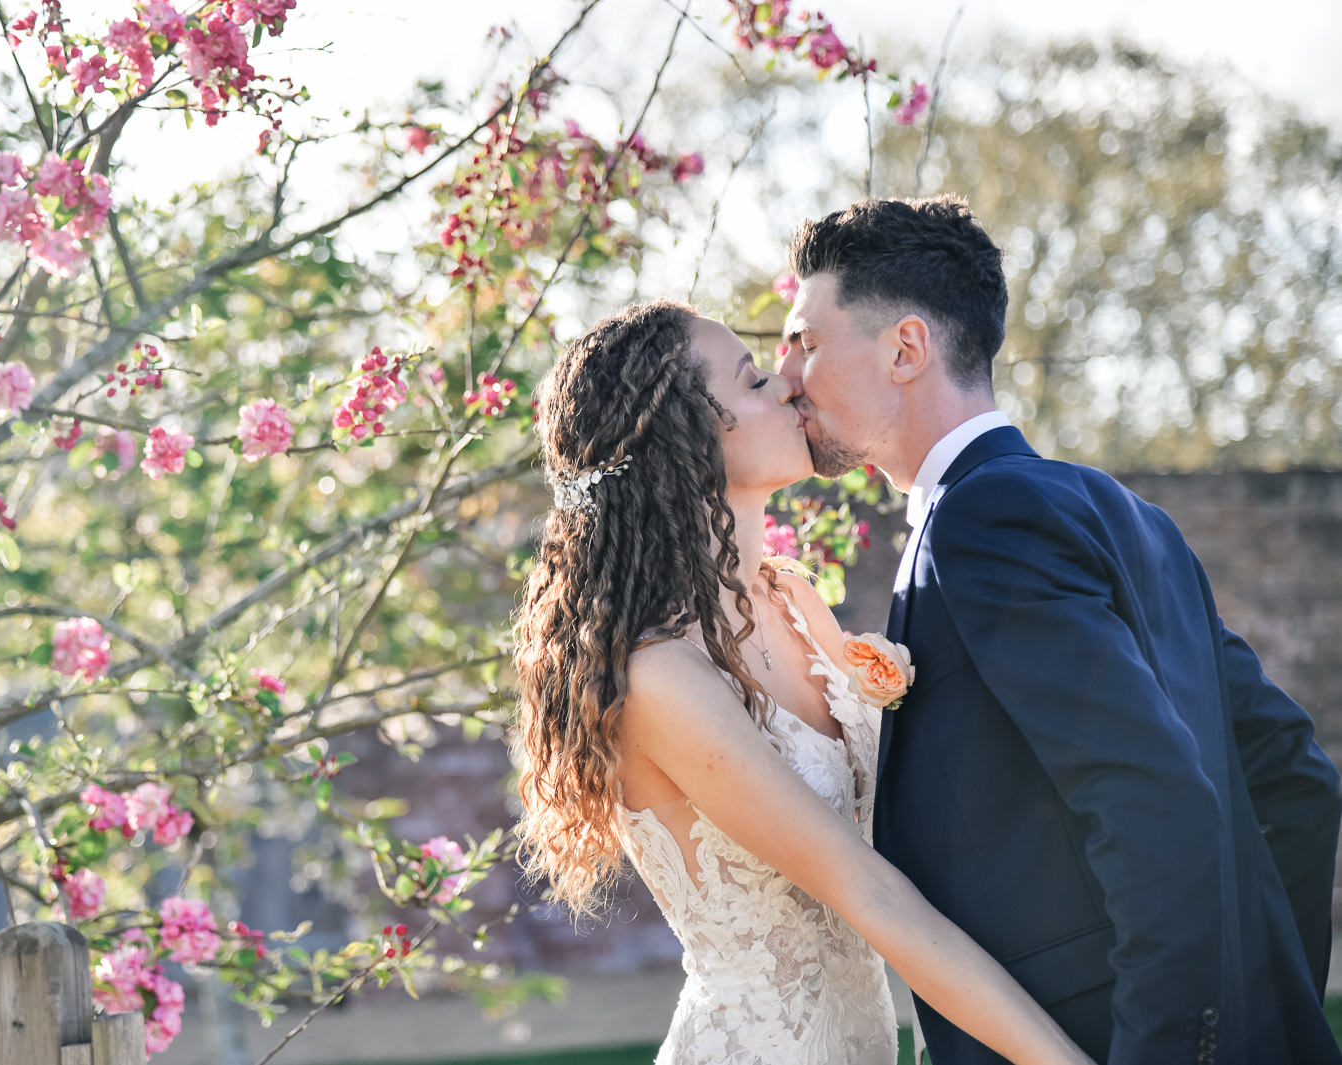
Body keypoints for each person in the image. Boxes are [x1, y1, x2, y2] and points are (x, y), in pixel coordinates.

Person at [777, 195, 1342, 1064]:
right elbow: (1293, 777)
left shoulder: (982, 518)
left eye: (805, 341)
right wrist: (1262, 1009)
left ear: (905, 348)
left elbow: (1153, 796)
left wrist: (1172, 1047)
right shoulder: (1131, 516)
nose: (786, 373)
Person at [511, 300, 1094, 1065]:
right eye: (753, 380)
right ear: (685, 437)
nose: (787, 385)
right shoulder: (659, 678)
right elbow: (869, 891)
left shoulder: (793, 598)